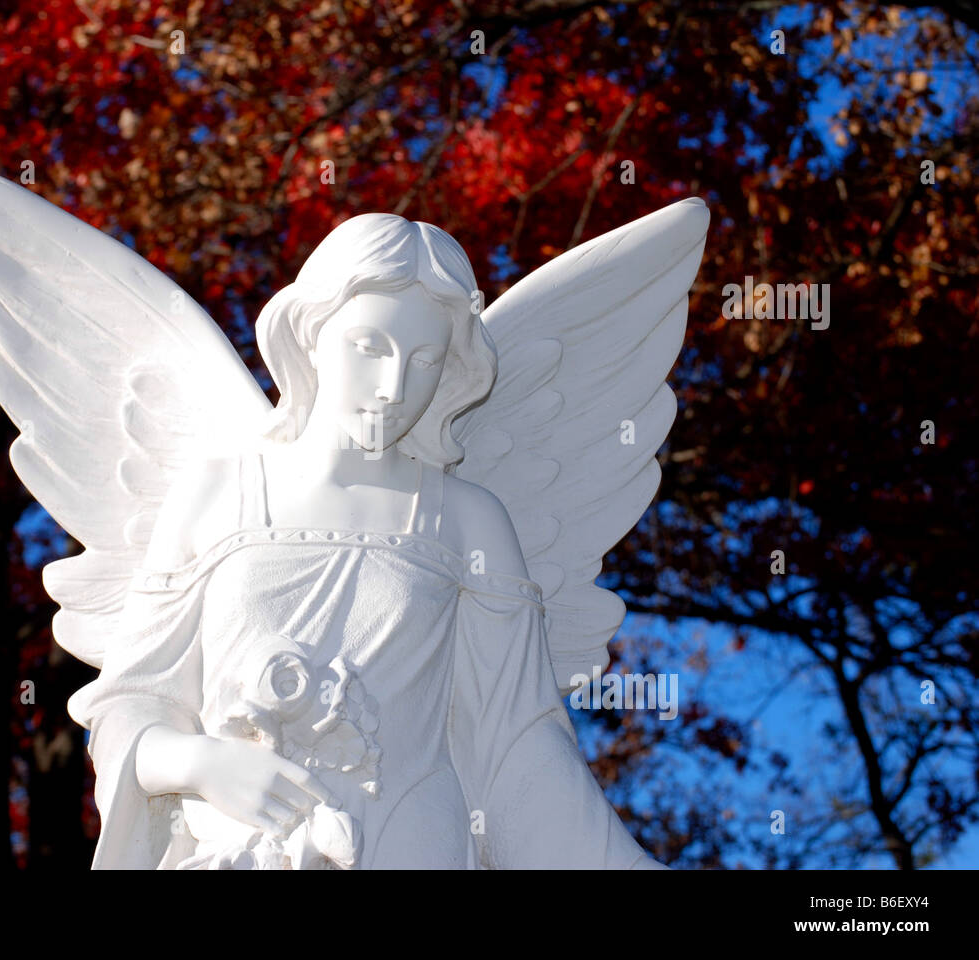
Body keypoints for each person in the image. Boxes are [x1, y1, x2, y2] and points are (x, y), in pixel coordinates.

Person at [67, 213, 663, 869]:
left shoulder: (467, 521)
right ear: (311, 333)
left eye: (426, 359)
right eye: (370, 347)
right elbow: (131, 702)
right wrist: (200, 762)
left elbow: (516, 745)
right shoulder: (215, 496)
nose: (393, 388)